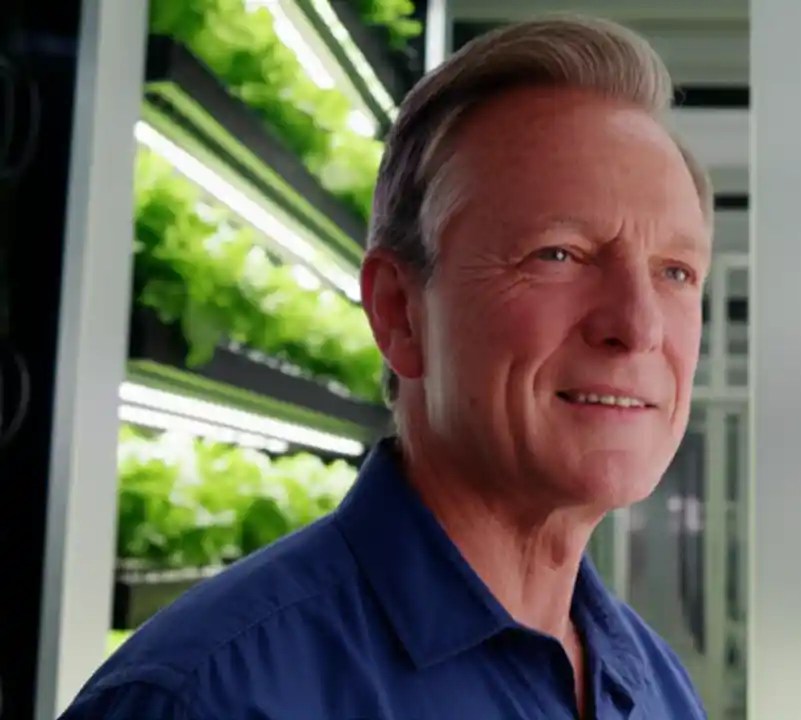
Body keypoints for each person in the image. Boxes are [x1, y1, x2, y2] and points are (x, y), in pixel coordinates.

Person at [60, 15, 713, 720]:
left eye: (675, 272)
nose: (639, 325)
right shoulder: (206, 700)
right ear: (400, 312)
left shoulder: (656, 687)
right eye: (558, 255)